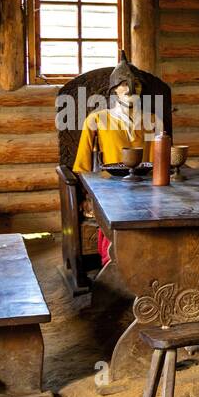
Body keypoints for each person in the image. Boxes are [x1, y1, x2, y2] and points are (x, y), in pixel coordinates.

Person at [72, 52, 152, 266]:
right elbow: (82, 163)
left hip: (147, 186)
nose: (131, 90)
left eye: (136, 84)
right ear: (115, 89)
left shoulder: (152, 120)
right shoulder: (96, 119)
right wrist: (86, 195)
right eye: (125, 85)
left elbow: (158, 159)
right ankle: (114, 264)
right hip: (110, 186)